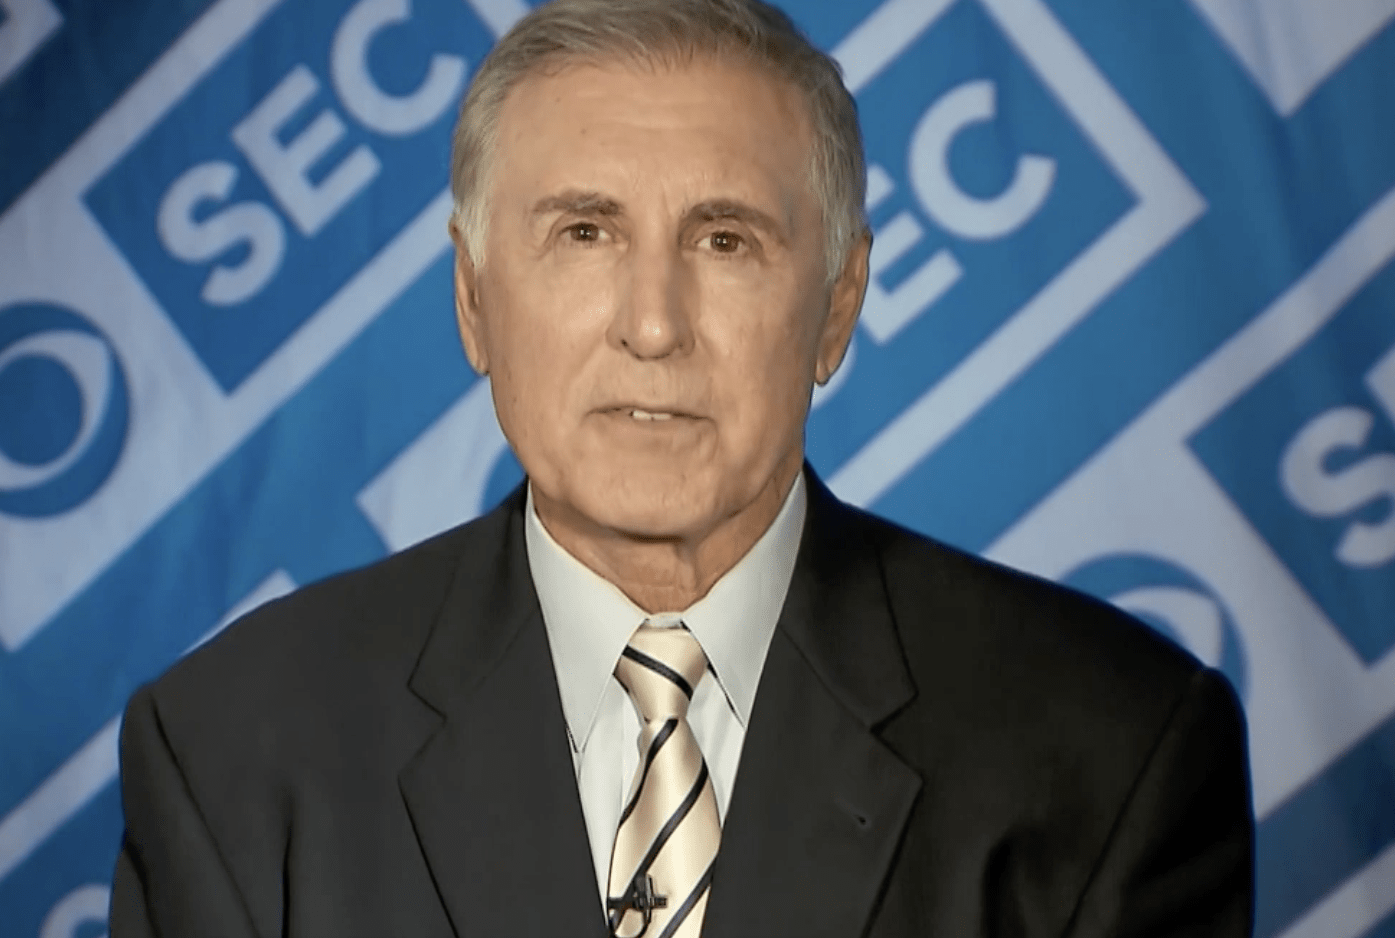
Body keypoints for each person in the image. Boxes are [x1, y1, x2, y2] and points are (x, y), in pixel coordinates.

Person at [109, 0, 1254, 935]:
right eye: (584, 232)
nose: (653, 324)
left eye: (724, 239)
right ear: (472, 299)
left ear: (836, 306)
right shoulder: (232, 748)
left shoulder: (1116, 746)